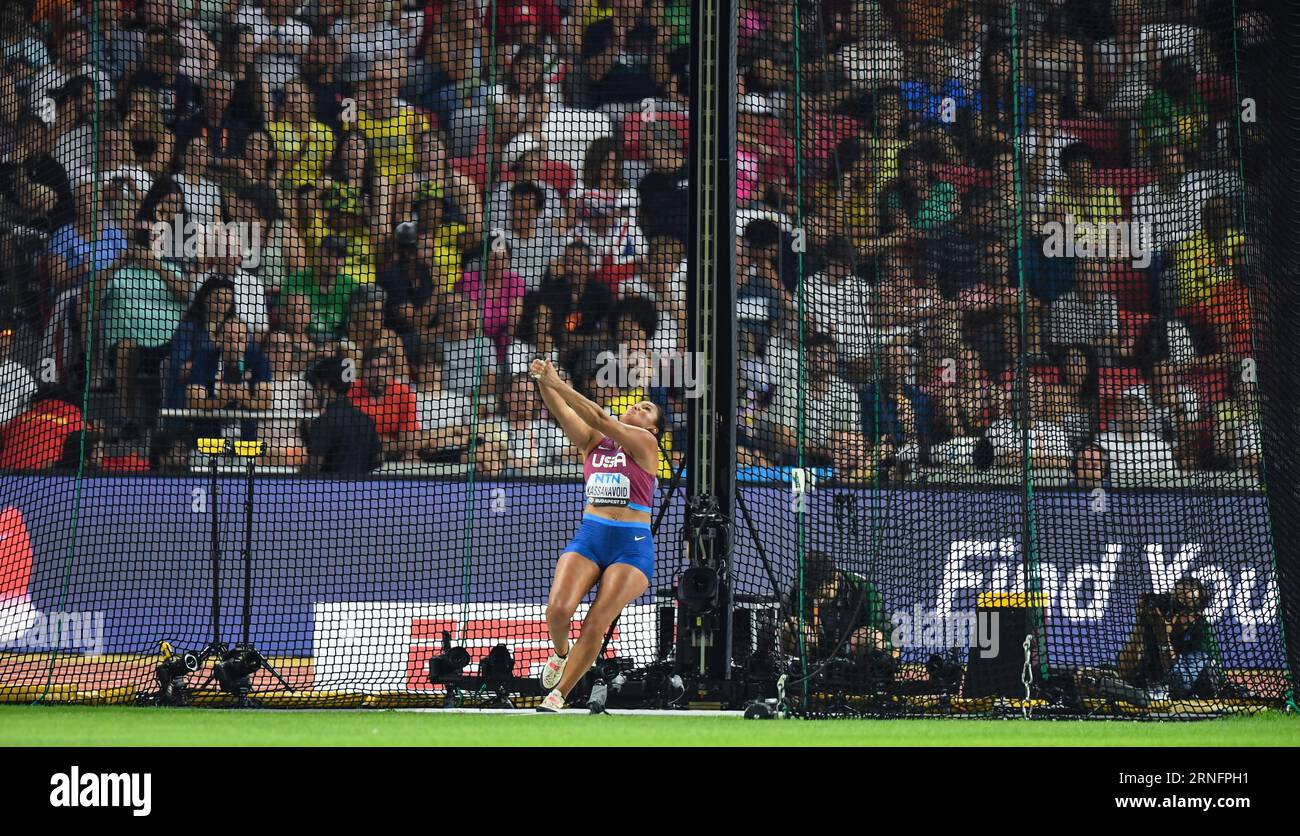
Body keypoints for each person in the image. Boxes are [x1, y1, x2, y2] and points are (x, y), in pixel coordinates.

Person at [529, 357, 664, 712]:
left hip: (631, 548)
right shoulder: (594, 443)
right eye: (638, 403)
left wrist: (558, 383)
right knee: (558, 610)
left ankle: (559, 694)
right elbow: (564, 414)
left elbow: (600, 417)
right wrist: (544, 380)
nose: (638, 406)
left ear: (654, 429)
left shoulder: (646, 445)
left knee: (596, 621)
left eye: (647, 408)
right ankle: (560, 652)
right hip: (591, 536)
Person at [780, 551, 897, 670]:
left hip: (852, 659)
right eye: (811, 596)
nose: (817, 602)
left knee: (867, 637)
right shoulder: (795, 589)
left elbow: (888, 636)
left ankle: (867, 679)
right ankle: (801, 674)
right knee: (789, 627)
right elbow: (782, 631)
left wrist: (889, 658)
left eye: (822, 596)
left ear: (835, 578)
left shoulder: (862, 588)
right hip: (814, 654)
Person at [1118, 576, 1226, 699]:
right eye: (1173, 600)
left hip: (1197, 696)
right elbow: (1125, 672)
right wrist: (1140, 624)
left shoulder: (1203, 632)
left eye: (1183, 605)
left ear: (1195, 614)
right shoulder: (1157, 622)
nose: (1174, 609)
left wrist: (1163, 637)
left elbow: (1180, 682)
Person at [303, 355, 382, 476]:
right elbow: (375, 462)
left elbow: (312, 468)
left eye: (318, 383)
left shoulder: (324, 422)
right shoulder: (366, 420)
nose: (317, 388)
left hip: (330, 491)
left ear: (326, 385)